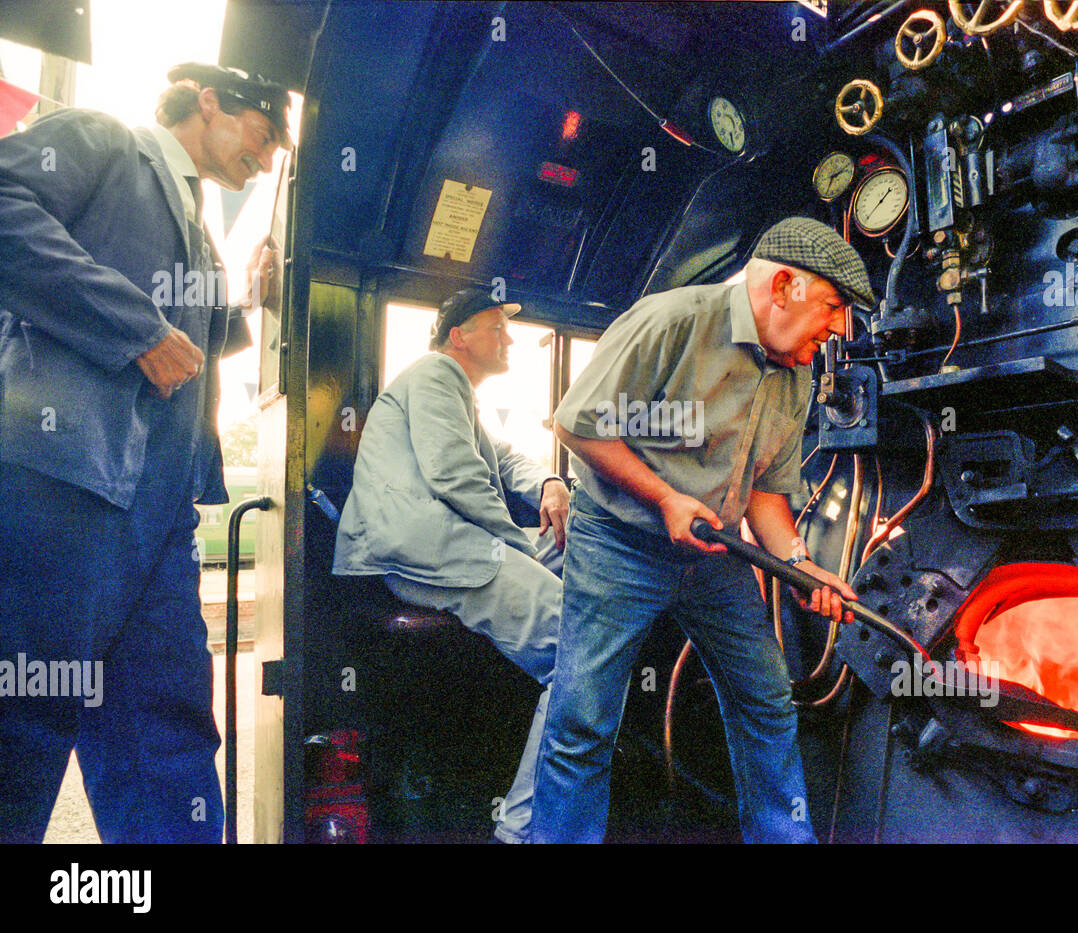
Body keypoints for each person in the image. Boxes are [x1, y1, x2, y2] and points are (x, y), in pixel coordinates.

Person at [0, 63, 290, 843]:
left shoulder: (197, 231)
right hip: (65, 486)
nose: (263, 162)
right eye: (262, 137)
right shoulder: (102, 140)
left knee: (165, 733)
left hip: (160, 523)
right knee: (22, 728)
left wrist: (248, 300)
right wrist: (134, 328)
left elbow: (189, 341)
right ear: (209, 104)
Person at [531, 216, 870, 844]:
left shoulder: (796, 373)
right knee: (582, 724)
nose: (835, 327)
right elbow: (577, 424)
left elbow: (767, 493)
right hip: (620, 545)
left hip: (716, 558)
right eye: (830, 306)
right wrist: (664, 497)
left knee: (766, 705)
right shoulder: (673, 321)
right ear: (784, 287)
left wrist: (799, 563)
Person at [333, 288, 569, 844]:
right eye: (496, 327)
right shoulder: (438, 374)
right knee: (581, 652)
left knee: (579, 540)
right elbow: (454, 475)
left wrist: (553, 484)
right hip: (427, 550)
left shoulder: (455, 393)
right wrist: (517, 545)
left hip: (439, 547)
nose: (508, 338)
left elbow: (505, 459)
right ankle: (523, 829)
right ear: (459, 336)